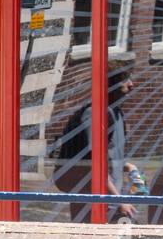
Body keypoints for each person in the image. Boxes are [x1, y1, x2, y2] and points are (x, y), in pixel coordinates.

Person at [53, 68, 138, 224]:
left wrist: (128, 166)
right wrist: (120, 201)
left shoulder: (116, 113)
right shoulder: (94, 115)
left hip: (111, 199)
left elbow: (108, 156)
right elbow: (94, 165)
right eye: (124, 79)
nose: (131, 84)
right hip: (93, 200)